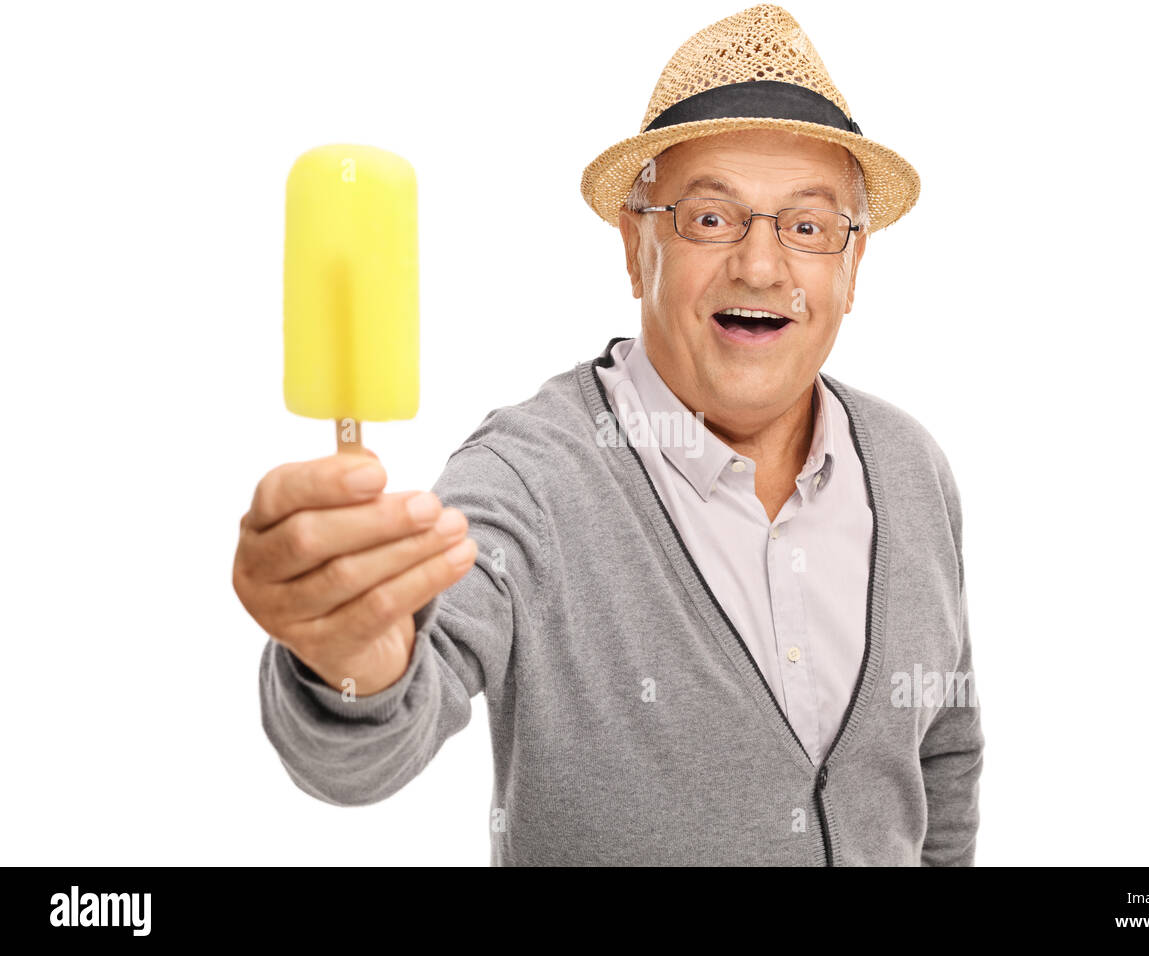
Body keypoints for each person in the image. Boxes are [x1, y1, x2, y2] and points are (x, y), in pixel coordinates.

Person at [235, 3, 984, 865]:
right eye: (710, 218)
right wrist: (347, 664)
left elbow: (943, 760)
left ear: (853, 267)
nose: (762, 264)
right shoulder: (531, 476)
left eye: (808, 226)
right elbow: (362, 755)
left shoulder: (909, 466)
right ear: (635, 246)